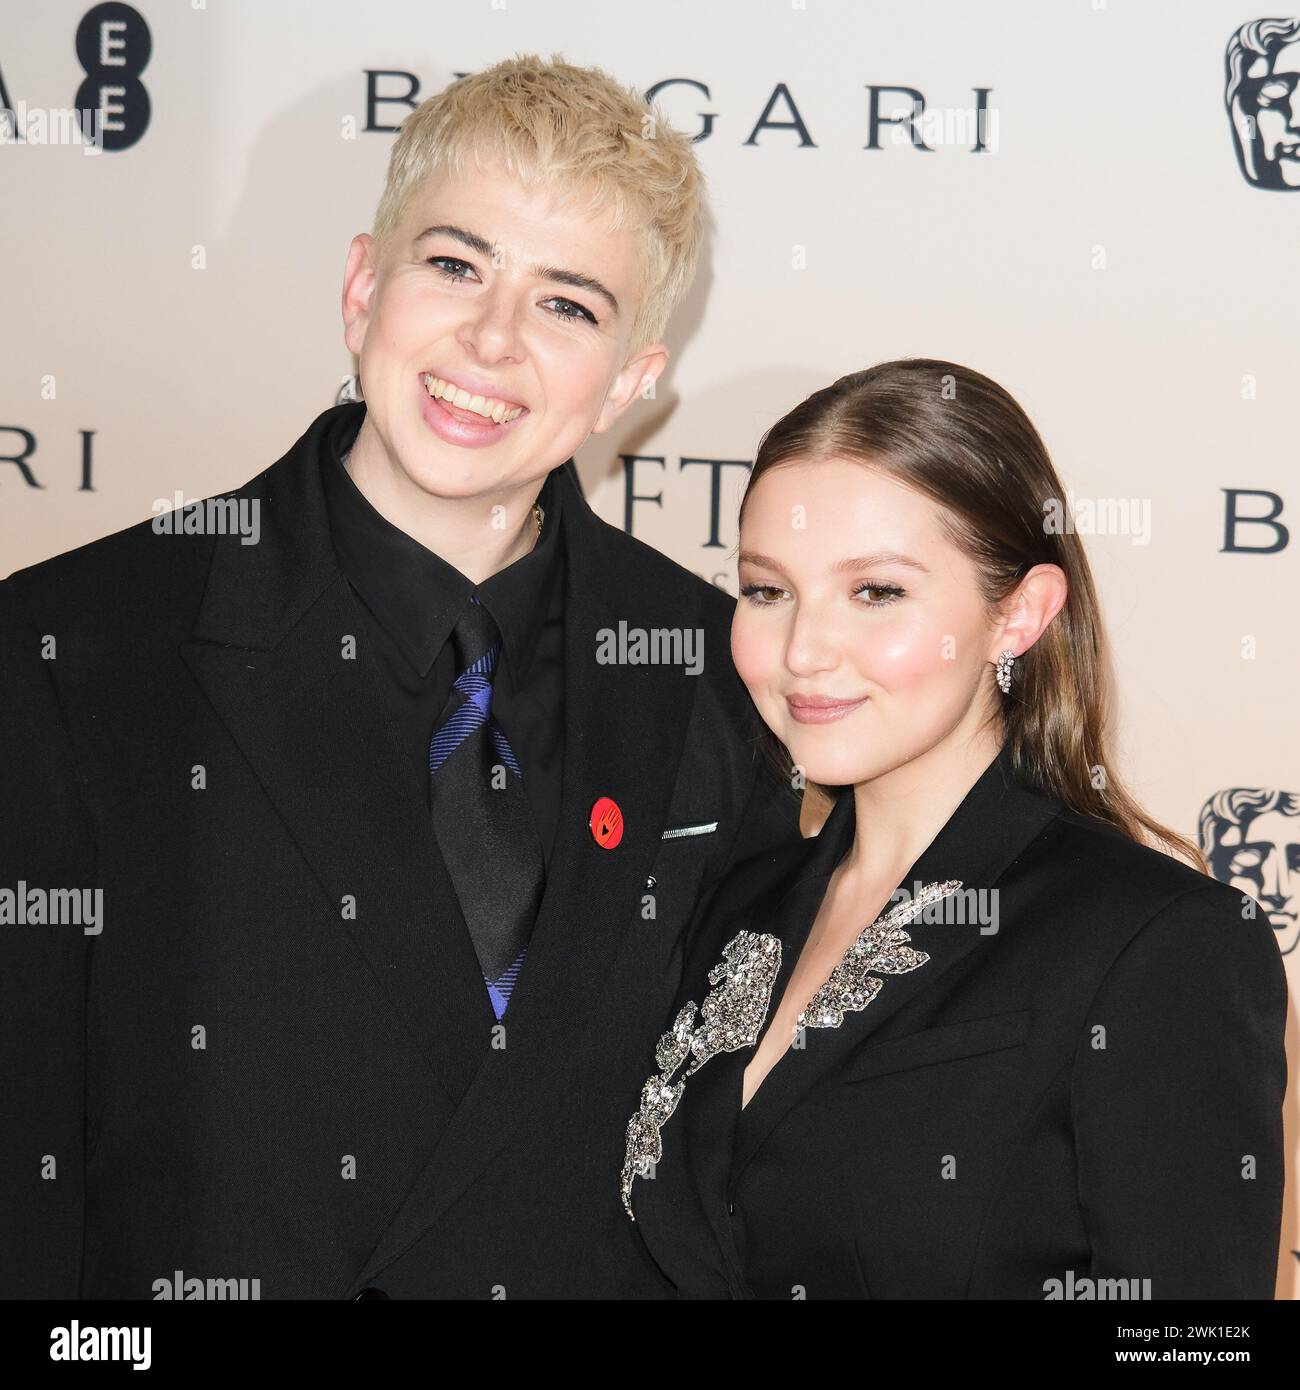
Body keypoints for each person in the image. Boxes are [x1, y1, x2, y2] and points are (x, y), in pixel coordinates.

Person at [0, 54, 801, 1300]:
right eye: (455, 265)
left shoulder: (722, 671)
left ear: (633, 383)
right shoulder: (69, 649)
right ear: (363, 285)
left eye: (568, 306)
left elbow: (743, 1159)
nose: (492, 339)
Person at [620, 358, 1288, 1300]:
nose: (804, 649)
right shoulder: (737, 899)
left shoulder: (1161, 944)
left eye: (876, 592)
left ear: (1017, 614)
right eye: (768, 590)